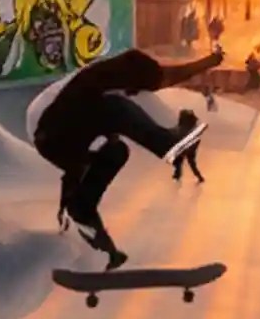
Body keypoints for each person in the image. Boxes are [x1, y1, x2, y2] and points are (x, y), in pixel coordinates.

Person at [26, 47, 223, 270]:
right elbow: (160, 76)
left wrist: (207, 62)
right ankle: (169, 145)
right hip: (48, 125)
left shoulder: (99, 93)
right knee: (115, 110)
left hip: (58, 140)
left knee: (116, 151)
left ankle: (83, 212)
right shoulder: (109, 72)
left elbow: (167, 77)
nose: (133, 93)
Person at [170, 110, 205, 183]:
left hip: (187, 146)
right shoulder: (191, 124)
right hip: (190, 147)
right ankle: (198, 176)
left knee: (179, 160)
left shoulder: (184, 125)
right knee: (190, 163)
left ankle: (177, 176)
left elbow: (178, 131)